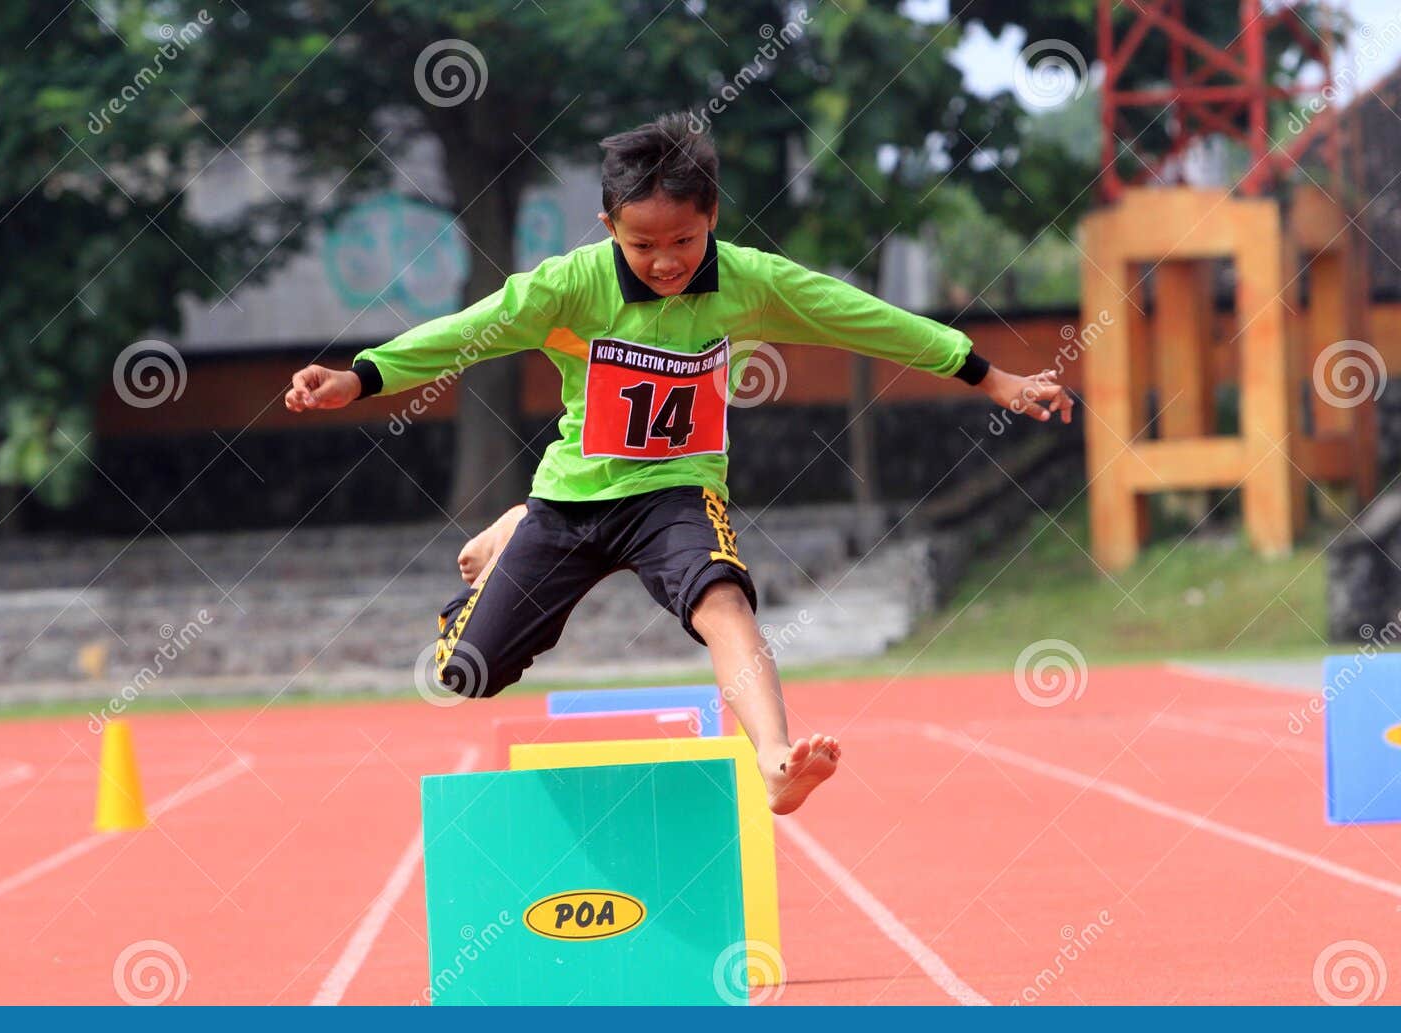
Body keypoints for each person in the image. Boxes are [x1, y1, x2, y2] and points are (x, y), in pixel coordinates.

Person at [285, 112, 1073, 814]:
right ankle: (517, 524)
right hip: (573, 499)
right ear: (607, 226)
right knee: (465, 676)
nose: (666, 263)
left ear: (714, 220)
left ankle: (772, 762)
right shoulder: (567, 287)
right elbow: (465, 331)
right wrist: (359, 377)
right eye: (643, 244)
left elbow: (870, 322)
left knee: (723, 601)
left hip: (677, 492)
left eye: (685, 242)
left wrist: (991, 376)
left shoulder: (750, 280)